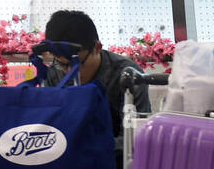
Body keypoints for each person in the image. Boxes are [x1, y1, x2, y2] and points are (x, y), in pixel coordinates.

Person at [42, 10, 150, 142]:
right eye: (61, 64)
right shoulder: (53, 73)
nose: (68, 72)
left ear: (97, 47)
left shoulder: (128, 76)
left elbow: (134, 137)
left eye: (76, 64)